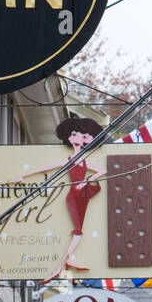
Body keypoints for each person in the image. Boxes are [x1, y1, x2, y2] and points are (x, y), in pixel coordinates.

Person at [55, 115, 103, 271]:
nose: (76, 137)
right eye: (73, 134)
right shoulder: (69, 159)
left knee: (79, 231)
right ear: (68, 137)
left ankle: (66, 262)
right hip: (72, 196)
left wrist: (87, 180)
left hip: (83, 197)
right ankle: (65, 262)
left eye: (81, 135)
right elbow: (49, 167)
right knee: (78, 230)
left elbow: (103, 170)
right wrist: (23, 176)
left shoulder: (84, 160)